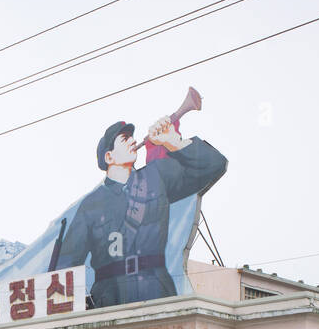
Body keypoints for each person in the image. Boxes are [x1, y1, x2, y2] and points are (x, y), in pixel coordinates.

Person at [54, 97, 227, 308]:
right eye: (124, 138)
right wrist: (82, 308)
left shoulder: (157, 176)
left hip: (157, 290)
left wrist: (172, 141)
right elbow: (65, 266)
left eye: (131, 137)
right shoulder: (91, 204)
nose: (132, 141)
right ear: (109, 156)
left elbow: (214, 165)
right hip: (109, 298)